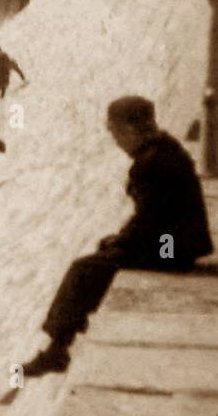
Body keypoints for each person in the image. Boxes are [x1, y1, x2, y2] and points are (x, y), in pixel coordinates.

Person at [22, 96, 213, 376]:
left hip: (170, 249)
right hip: (177, 242)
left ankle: (57, 348)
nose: (115, 140)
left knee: (84, 269)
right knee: (104, 257)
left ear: (130, 130)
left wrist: (122, 241)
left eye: (114, 132)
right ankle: (64, 339)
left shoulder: (150, 164)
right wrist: (122, 240)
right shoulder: (163, 149)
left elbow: (151, 221)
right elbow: (154, 217)